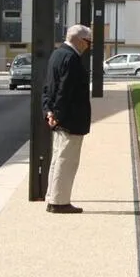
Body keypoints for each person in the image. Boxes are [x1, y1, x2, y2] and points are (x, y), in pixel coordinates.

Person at [41, 24, 93, 213]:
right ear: (79, 40)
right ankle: (59, 201)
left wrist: (48, 111)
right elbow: (65, 90)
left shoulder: (57, 54)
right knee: (66, 160)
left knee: (58, 158)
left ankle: (52, 197)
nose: (88, 46)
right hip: (70, 119)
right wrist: (58, 114)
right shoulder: (72, 58)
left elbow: (48, 86)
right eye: (88, 41)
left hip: (59, 117)